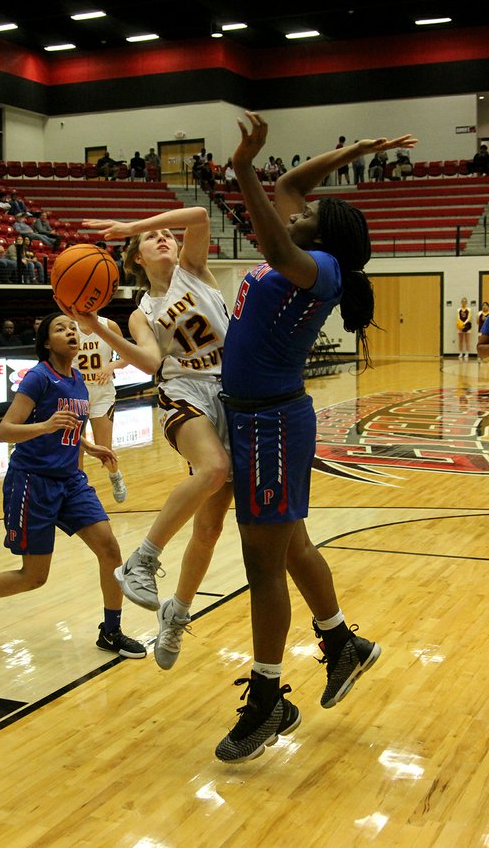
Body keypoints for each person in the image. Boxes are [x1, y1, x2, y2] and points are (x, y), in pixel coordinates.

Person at [214, 112, 416, 763]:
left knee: (262, 566)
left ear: (322, 233)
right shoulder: (315, 246)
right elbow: (293, 186)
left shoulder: (319, 267)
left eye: (309, 211)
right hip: (253, 418)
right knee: (294, 545)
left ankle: (269, 698)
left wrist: (244, 166)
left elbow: (276, 241)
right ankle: (342, 644)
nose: (295, 209)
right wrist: (358, 147)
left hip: (270, 422)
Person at [75, 206, 233, 670]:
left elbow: (201, 215)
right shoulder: (143, 313)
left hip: (231, 393)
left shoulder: (194, 271)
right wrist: (99, 328)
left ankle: (177, 613)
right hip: (183, 392)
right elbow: (147, 363)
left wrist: (135, 224)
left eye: (168, 234)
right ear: (136, 258)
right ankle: (141, 561)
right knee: (215, 469)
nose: (163, 238)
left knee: (210, 527)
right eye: (152, 238)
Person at [0, 311, 146, 659]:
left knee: (109, 549)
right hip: (33, 481)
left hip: (71, 481)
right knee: (34, 577)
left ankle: (111, 632)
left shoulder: (78, 379)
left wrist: (89, 446)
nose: (71, 332)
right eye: (61, 329)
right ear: (47, 343)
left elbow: (68, 425)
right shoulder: (38, 378)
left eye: (73, 328)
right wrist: (46, 426)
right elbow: (5, 431)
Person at [74, 316, 129, 504]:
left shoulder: (109, 325)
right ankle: (79, 493)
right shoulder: (69, 326)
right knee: (75, 450)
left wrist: (112, 365)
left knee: (104, 450)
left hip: (102, 393)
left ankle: (115, 477)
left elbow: (128, 355)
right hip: (76, 393)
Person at [456, 297, 472, 361]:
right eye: (462, 301)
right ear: (461, 302)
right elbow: (458, 317)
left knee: (467, 340)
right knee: (460, 340)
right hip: (460, 326)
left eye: (465, 301)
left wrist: (464, 323)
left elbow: (469, 317)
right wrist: (461, 324)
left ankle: (467, 353)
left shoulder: (469, 309)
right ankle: (460, 353)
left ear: (466, 302)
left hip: (467, 326)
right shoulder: (458, 310)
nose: (464, 302)